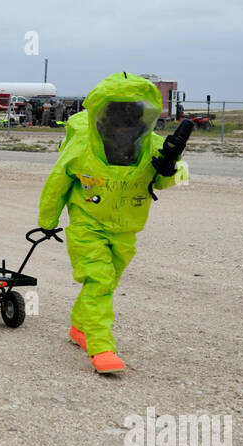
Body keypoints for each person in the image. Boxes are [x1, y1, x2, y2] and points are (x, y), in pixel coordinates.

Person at [38, 72, 189, 374]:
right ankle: (101, 346)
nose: (124, 129)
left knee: (106, 283)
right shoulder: (83, 145)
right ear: (104, 119)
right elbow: (57, 183)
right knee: (100, 281)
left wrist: (170, 166)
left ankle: (80, 328)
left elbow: (169, 180)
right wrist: (47, 221)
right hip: (87, 227)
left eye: (130, 121)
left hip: (126, 230)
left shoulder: (152, 145)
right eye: (118, 121)